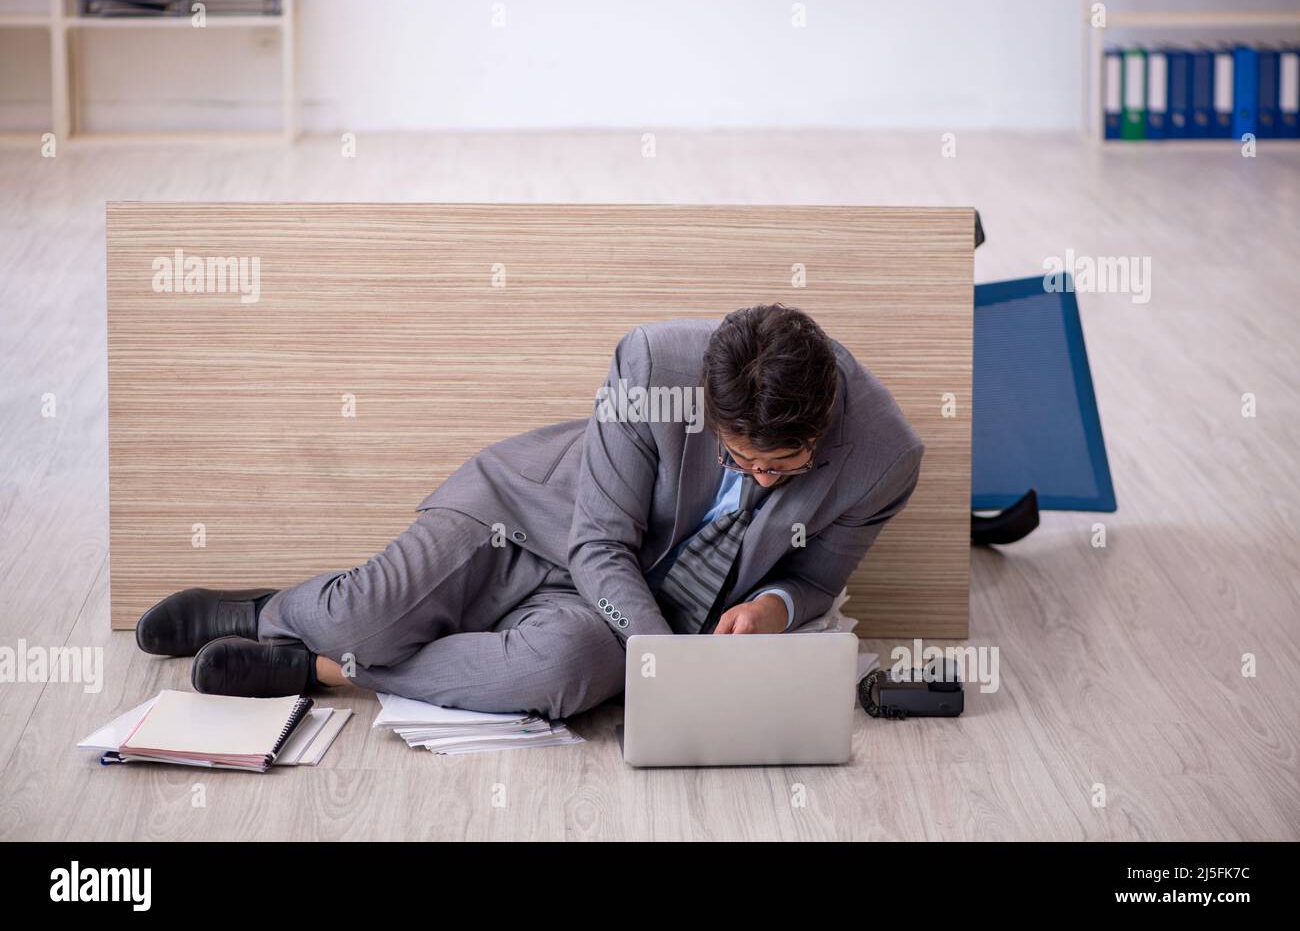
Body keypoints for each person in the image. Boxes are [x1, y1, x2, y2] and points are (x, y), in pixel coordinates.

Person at [135, 304, 924, 719]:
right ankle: (275, 611)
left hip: (627, 611)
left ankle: (317, 671)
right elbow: (602, 542)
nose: (753, 479)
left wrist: (774, 608)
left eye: (778, 469)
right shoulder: (655, 363)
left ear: (824, 426)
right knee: (365, 616)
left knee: (562, 673)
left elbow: (815, 576)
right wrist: (669, 666)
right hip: (527, 515)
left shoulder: (885, 458)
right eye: (735, 456)